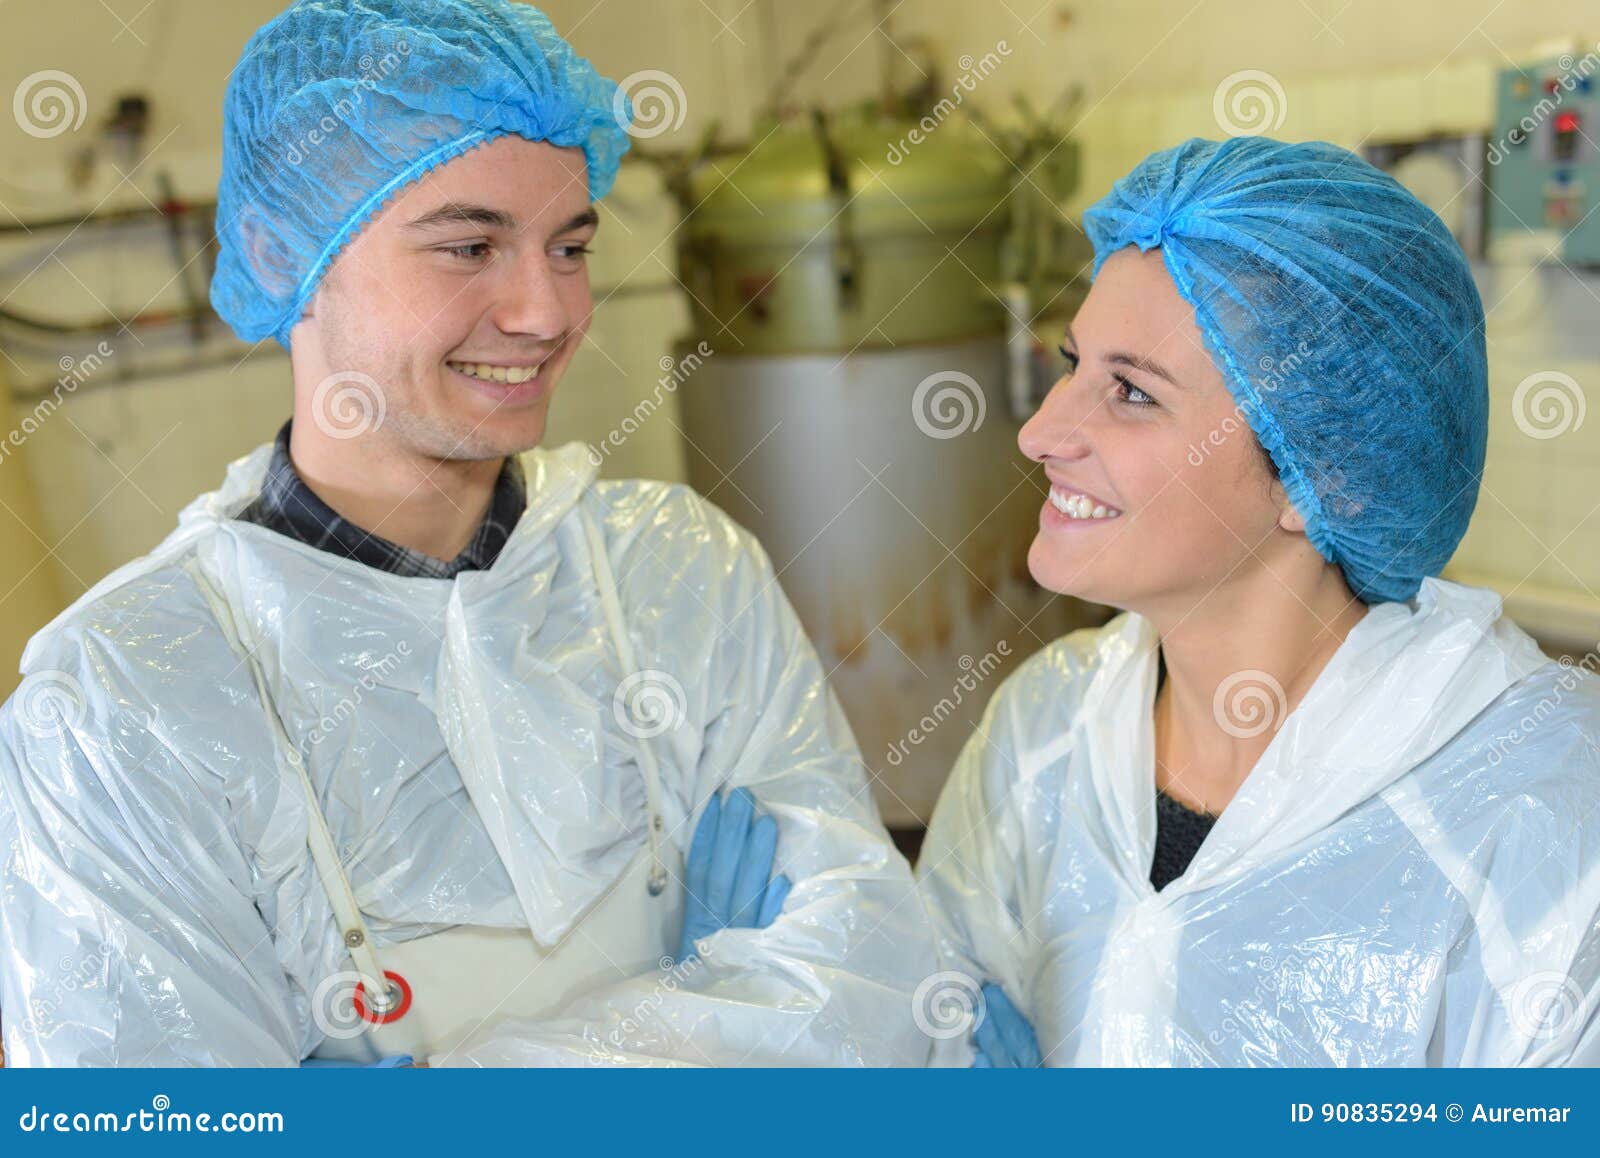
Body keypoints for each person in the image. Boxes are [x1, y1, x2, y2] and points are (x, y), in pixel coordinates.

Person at [0, 0, 936, 1067]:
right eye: (469, 245)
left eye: (570, 245)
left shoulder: (680, 576)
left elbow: (870, 984)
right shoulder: (119, 705)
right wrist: (711, 1024)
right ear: (278, 250)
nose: (545, 311)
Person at [918, 135, 1600, 1067]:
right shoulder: (1046, 729)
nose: (1041, 432)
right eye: (1070, 364)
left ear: (1319, 474)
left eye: (1129, 392)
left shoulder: (1541, 810)